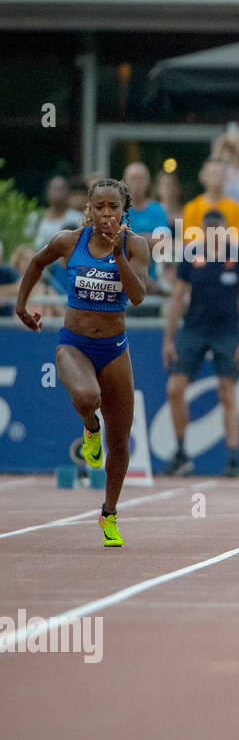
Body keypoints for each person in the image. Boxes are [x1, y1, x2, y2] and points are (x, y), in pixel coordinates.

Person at [14, 179, 149, 546]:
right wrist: (22, 306)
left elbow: (137, 296)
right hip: (73, 345)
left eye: (113, 207)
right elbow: (36, 262)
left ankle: (109, 514)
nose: (107, 213)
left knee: (120, 440)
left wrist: (118, 253)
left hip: (114, 348)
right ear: (90, 209)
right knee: (88, 398)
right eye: (100, 206)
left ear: (124, 211)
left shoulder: (135, 246)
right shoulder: (69, 241)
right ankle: (89, 426)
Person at [162, 209, 239, 477]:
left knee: (227, 391)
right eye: (209, 228)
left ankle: (233, 460)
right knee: (175, 388)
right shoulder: (191, 255)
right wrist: (168, 339)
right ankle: (181, 452)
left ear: (226, 230)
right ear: (202, 231)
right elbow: (177, 298)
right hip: (194, 329)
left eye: (218, 228)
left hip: (227, 332)